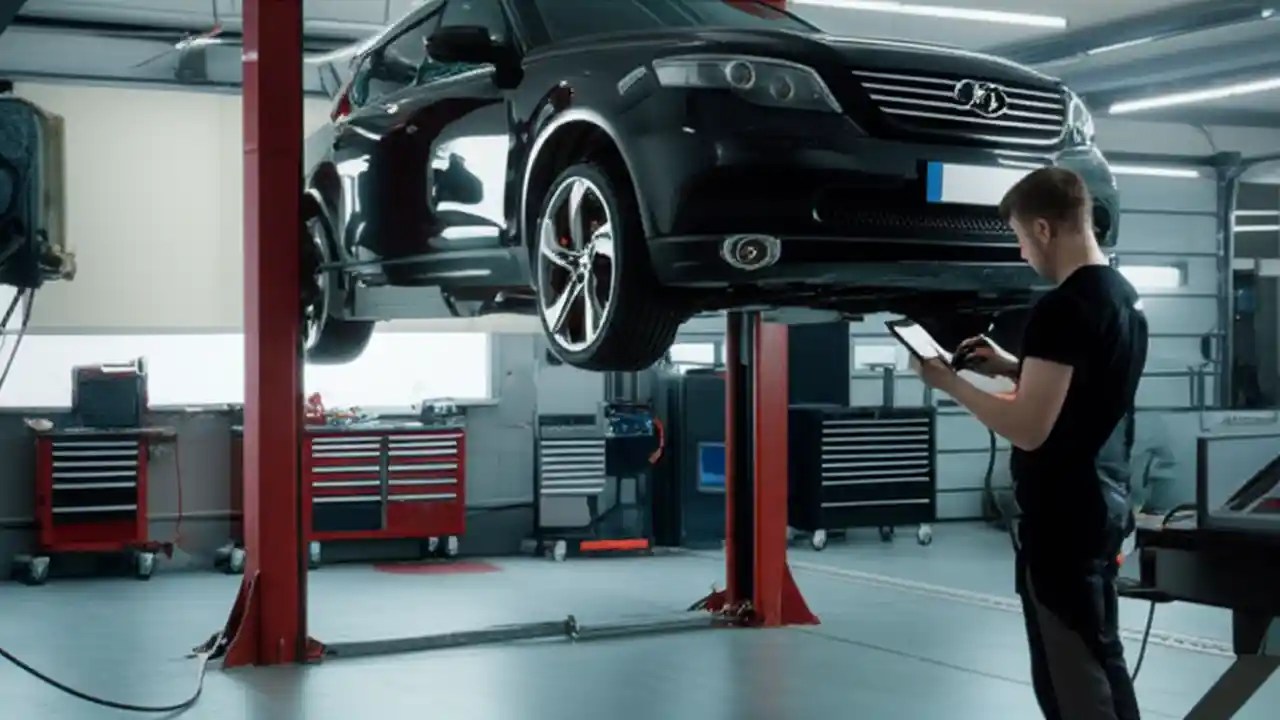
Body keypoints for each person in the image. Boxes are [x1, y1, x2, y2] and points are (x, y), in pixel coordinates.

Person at [911, 167, 1148, 720]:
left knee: (1073, 677)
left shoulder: (1061, 308)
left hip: (1063, 516)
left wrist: (951, 382)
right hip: (1102, 502)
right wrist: (1011, 366)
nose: (1021, 254)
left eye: (1019, 238)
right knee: (1098, 655)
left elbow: (1029, 428)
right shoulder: (1120, 296)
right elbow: (1087, 391)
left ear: (1043, 228)